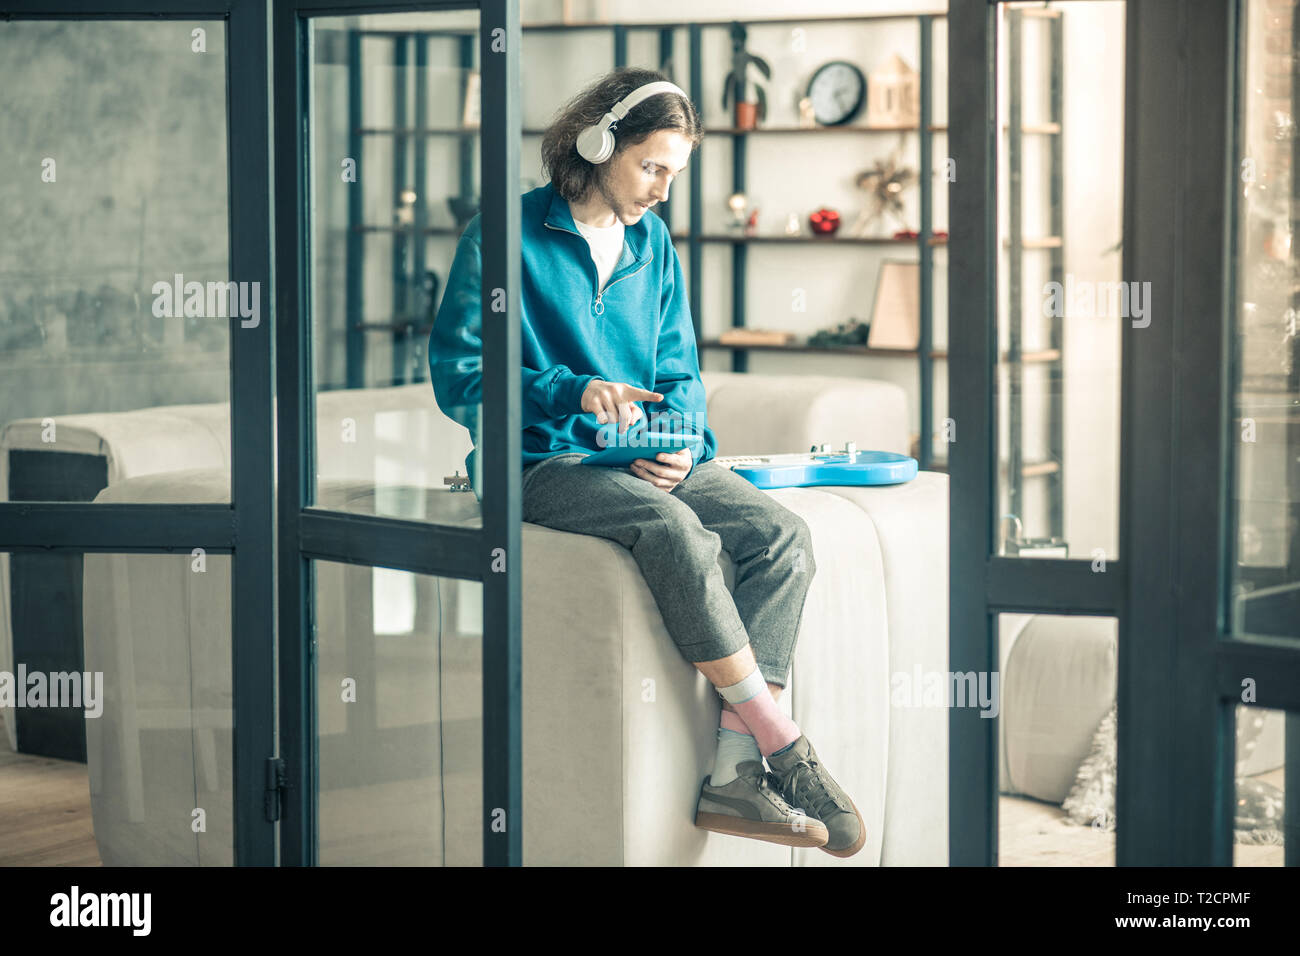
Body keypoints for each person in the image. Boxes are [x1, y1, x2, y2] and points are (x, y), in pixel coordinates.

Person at [428, 66, 864, 858]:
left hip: (641, 458)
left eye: (676, 173)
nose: (664, 190)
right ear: (599, 144)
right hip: (541, 460)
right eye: (653, 167)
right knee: (678, 534)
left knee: (782, 537)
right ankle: (785, 749)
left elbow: (680, 373)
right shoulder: (503, 233)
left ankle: (734, 771)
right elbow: (459, 377)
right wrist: (572, 390)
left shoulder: (651, 242)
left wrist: (679, 444)